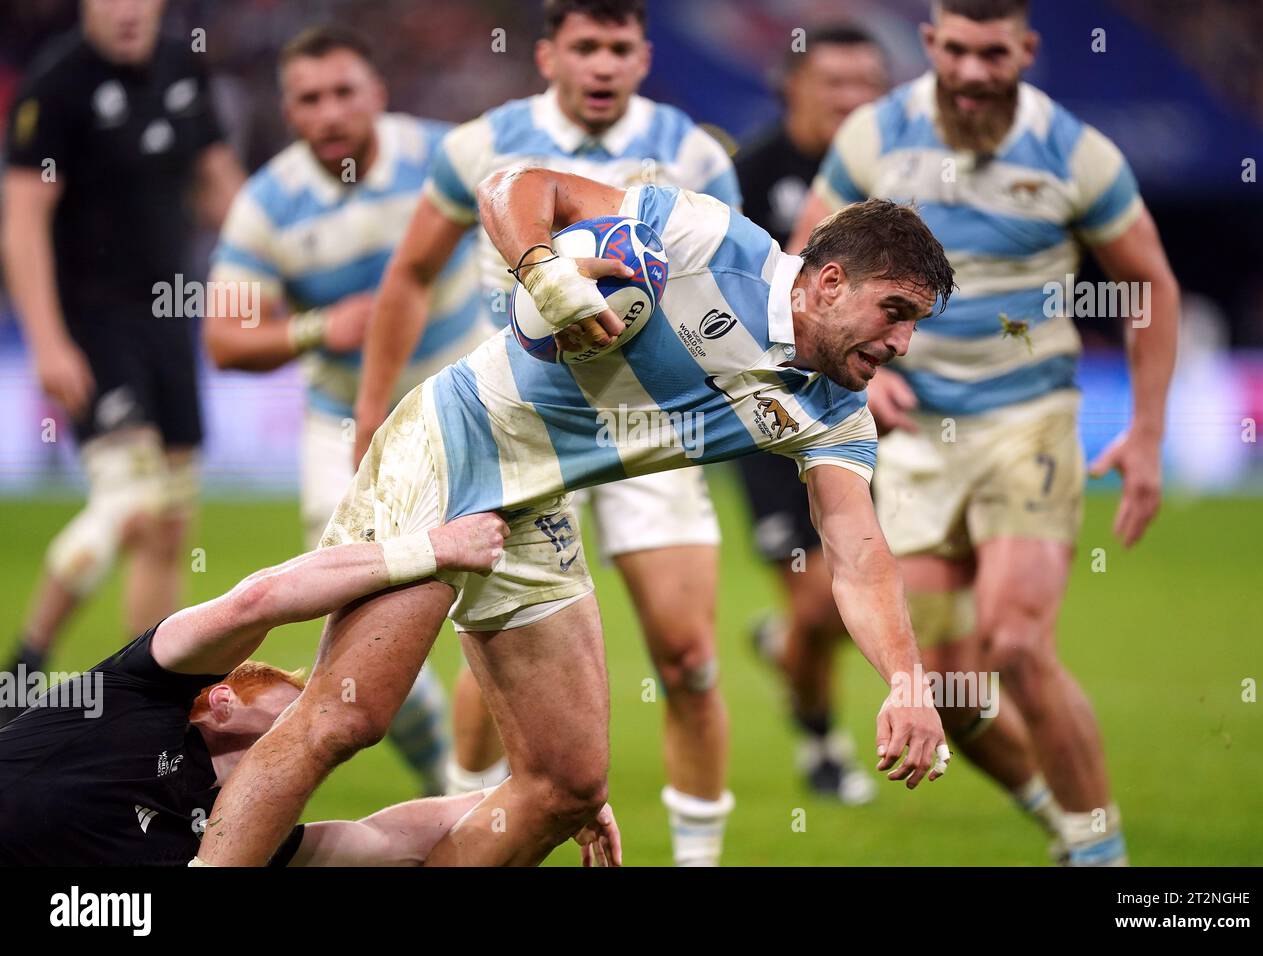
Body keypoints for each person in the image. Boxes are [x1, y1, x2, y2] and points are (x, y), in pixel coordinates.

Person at [193, 166, 955, 869]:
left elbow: (858, 555)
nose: (901, 342)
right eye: (894, 312)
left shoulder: (837, 414)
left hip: (531, 508)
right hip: (451, 447)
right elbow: (514, 185)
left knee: (565, 787)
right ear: (827, 283)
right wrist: (541, 268)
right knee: (345, 719)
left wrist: (907, 684)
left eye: (915, 322)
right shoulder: (710, 239)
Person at [354, 0, 744, 864]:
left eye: (619, 47)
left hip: (651, 426)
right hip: (519, 425)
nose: (603, 64)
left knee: (686, 657)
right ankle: (468, 827)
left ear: (645, 56)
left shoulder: (697, 153)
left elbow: (729, 286)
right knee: (502, 660)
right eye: (585, 47)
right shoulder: (482, 146)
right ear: (547, 55)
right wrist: (371, 409)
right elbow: (410, 275)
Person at [791, 0, 1180, 865]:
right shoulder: (873, 136)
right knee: (948, 686)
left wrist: (1148, 433)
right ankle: (1063, 825)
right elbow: (805, 258)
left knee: (1014, 645)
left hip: (1027, 419)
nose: (972, 71)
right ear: (930, 44)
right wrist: (859, 370)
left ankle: (1107, 862)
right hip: (921, 434)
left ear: (1027, 50)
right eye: (956, 50)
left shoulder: (1077, 153)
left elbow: (1147, 282)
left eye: (992, 53)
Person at [0, 508, 621, 867]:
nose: (309, 718)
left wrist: (555, 792)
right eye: (289, 703)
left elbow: (387, 837)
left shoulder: (239, 827)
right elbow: (258, 599)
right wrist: (429, 549)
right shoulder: (140, 691)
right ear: (222, 700)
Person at [205, 24, 492, 795]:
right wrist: (315, 328)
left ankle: (497, 788)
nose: (329, 112)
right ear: (289, 111)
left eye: (343, 93)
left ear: (378, 95)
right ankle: (454, 793)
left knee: (502, 605)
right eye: (309, 99)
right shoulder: (266, 205)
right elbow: (224, 340)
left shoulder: (447, 157)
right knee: (351, 621)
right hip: (346, 429)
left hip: (473, 409)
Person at [0, 0, 244, 724]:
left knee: (169, 526)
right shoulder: (57, 86)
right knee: (131, 502)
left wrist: (267, 262)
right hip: (92, 323)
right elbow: (23, 220)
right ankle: (22, 666)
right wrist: (46, 339)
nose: (129, 9)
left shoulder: (181, 64)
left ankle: (149, 704)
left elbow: (218, 180)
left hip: (171, 322)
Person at [733, 23, 890, 805]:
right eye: (837, 83)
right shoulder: (749, 173)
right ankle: (824, 749)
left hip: (849, 415)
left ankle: (783, 646)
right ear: (792, 84)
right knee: (813, 598)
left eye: (868, 84)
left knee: (839, 599)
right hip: (763, 417)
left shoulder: (889, 182)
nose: (854, 99)